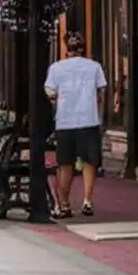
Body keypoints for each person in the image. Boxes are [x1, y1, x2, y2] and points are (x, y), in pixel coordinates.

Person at [45, 32, 107, 218]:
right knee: (89, 161)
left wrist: (57, 99)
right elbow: (101, 91)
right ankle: (87, 200)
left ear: (67, 49)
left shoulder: (56, 68)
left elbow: (50, 92)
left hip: (66, 121)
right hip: (88, 119)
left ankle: (64, 204)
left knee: (65, 163)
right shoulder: (94, 67)